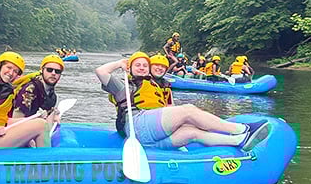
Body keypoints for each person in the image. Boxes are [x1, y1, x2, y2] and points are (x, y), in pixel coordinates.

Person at [95, 52, 269, 150]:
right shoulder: (123, 85)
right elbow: (101, 72)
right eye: (137, 65)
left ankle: (239, 141)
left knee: (191, 132)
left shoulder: (157, 85)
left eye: (144, 65)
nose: (142, 67)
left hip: (148, 138)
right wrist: (119, 63)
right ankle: (243, 129)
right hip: (137, 125)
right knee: (188, 110)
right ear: (130, 68)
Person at [12, 54, 64, 119]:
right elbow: (17, 118)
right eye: (49, 70)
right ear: (42, 70)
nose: (53, 73)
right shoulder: (30, 89)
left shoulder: (52, 94)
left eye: (57, 71)